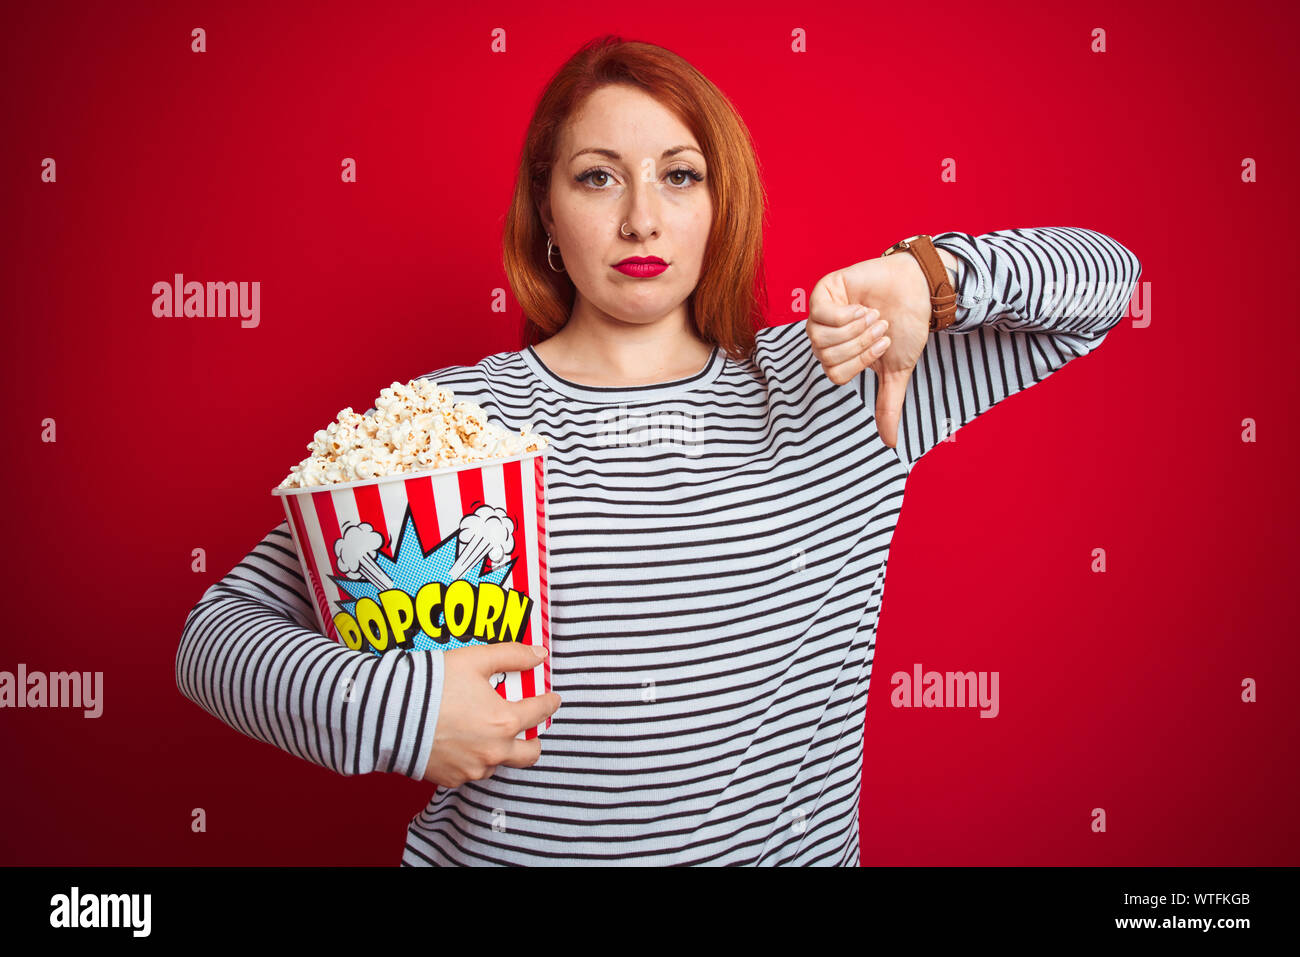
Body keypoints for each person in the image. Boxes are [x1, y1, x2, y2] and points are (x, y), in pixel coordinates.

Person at [175, 35, 1142, 866]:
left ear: (719, 205)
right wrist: (403, 707)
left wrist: (927, 276)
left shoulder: (844, 381)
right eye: (598, 176)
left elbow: (1108, 283)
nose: (641, 215)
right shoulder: (451, 421)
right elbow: (214, 640)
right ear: (546, 211)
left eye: (680, 175)